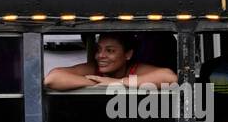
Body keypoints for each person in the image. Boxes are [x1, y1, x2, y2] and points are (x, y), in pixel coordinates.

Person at [44, 34, 177, 90]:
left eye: (110, 51)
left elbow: (169, 77)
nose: (101, 56)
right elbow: (52, 78)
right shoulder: (93, 69)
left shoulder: (134, 69)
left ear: (128, 54)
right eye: (99, 50)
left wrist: (118, 83)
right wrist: (99, 83)